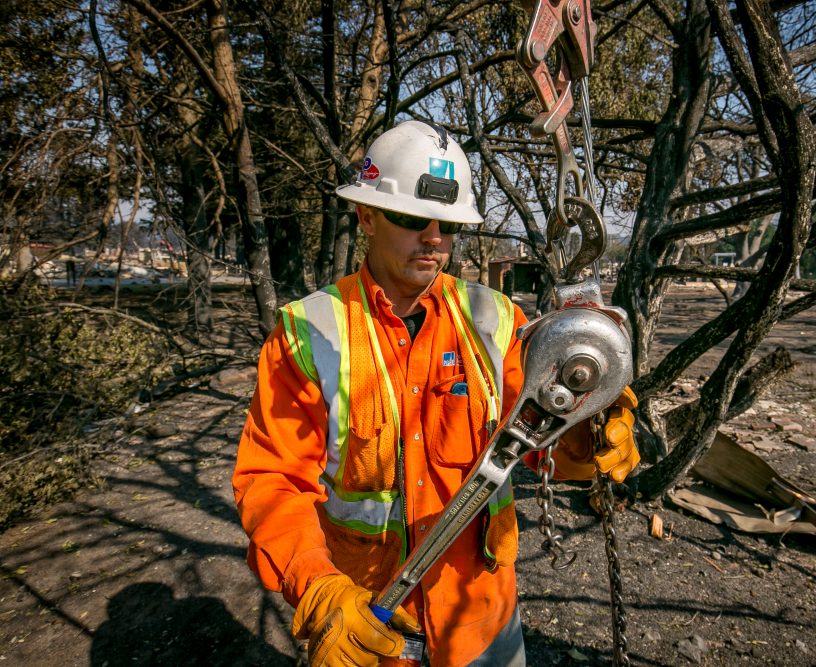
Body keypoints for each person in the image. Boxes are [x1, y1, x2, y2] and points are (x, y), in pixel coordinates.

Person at [232, 120, 640, 667]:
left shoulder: (495, 322)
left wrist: (591, 428)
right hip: (369, 630)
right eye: (411, 218)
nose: (433, 238)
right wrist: (318, 588)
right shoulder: (309, 333)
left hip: (481, 622)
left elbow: (549, 448)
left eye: (447, 224)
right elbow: (272, 480)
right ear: (367, 216)